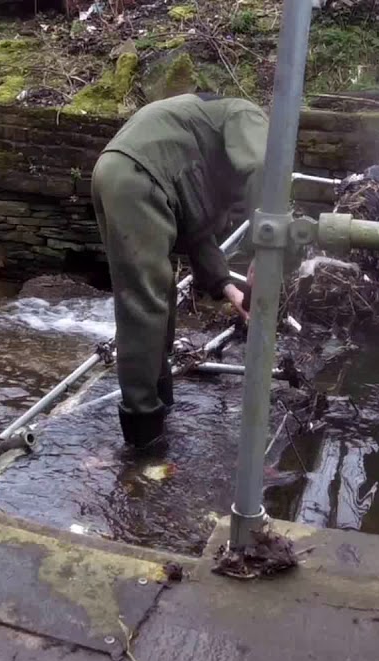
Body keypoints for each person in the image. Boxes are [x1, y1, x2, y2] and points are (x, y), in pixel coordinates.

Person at [91, 92, 268, 448]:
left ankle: (159, 405)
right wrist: (265, 253)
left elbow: (197, 235)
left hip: (124, 175)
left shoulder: (198, 149)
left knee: (158, 295)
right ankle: (143, 435)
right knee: (144, 305)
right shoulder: (249, 115)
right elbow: (262, 172)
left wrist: (228, 289)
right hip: (136, 178)